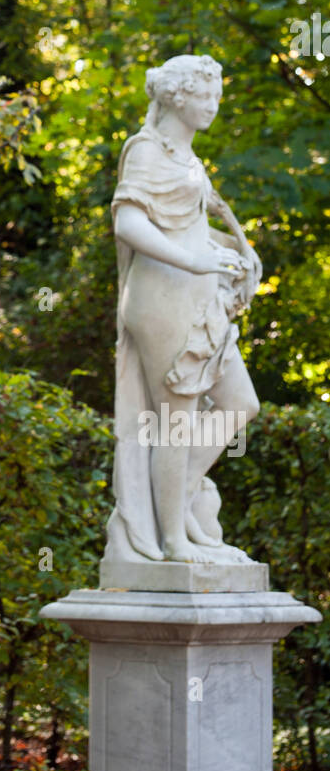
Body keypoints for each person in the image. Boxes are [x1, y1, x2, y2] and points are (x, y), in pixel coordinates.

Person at [104, 54, 262, 566]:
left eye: (217, 94)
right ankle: (173, 540)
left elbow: (186, 227)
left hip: (199, 296)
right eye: (206, 94)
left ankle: (177, 502)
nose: (214, 104)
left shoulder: (188, 159)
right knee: (175, 423)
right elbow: (129, 223)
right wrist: (195, 260)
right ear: (178, 96)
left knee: (241, 404)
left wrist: (232, 251)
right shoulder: (146, 151)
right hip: (161, 300)